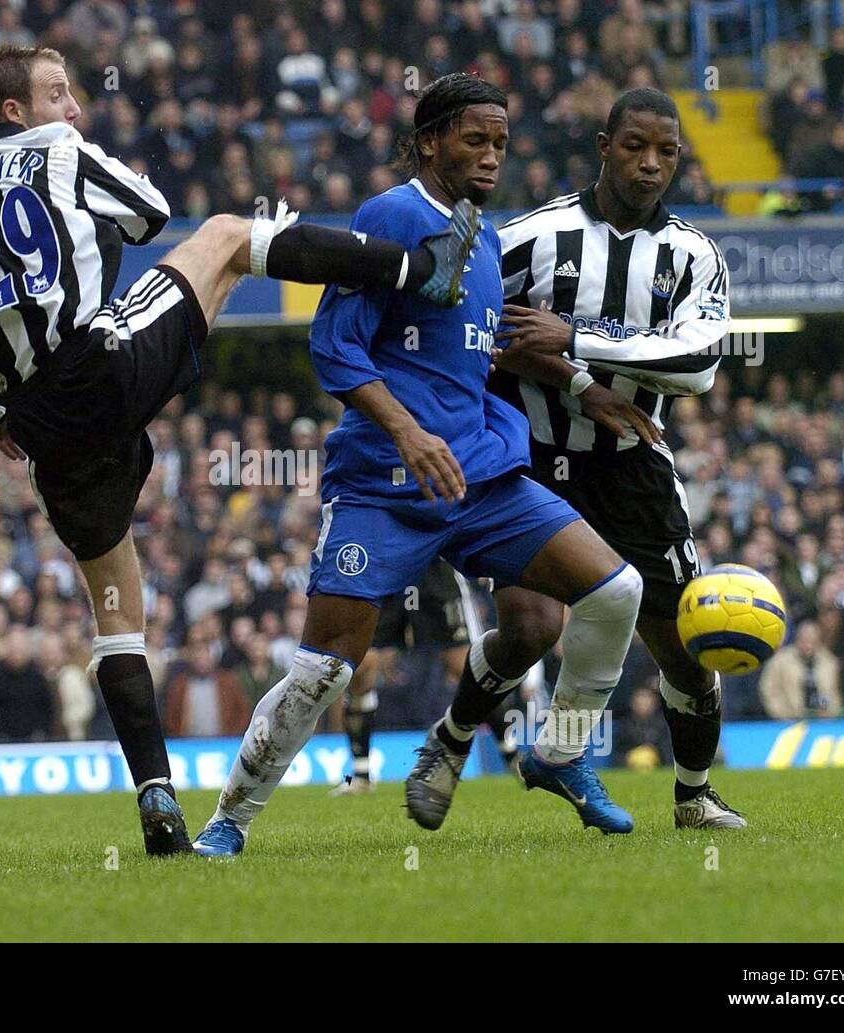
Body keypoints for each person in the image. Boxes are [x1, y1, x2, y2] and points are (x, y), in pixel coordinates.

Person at [0, 45, 478, 856]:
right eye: (57, 94)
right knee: (221, 237)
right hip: (98, 366)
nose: (73, 109)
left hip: (38, 419)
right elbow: (147, 213)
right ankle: (418, 266)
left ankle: (156, 797)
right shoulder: (56, 150)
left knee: (114, 608)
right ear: (14, 112)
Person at [193, 73, 646, 858]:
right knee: (323, 670)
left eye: (501, 142)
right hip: (382, 486)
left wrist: (583, 386)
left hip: (482, 476)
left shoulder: (486, 234)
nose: (492, 156)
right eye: (476, 139)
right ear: (430, 140)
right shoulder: (393, 216)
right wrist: (407, 432)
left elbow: (490, 348)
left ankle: (564, 748)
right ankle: (230, 816)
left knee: (613, 591)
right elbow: (334, 345)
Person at [470, 87, 743, 830]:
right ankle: (467, 743)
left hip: (632, 461)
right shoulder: (531, 237)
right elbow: (478, 327)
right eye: (635, 147)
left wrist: (576, 342)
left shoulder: (693, 255)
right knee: (532, 627)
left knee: (686, 643)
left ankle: (694, 793)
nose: (652, 165)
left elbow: (700, 361)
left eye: (667, 151)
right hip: (530, 459)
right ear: (602, 145)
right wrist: (566, 376)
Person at [330, 557, 518, 795]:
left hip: (434, 569)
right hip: (385, 569)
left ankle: (513, 756)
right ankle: (361, 775)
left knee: (468, 669)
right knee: (361, 667)